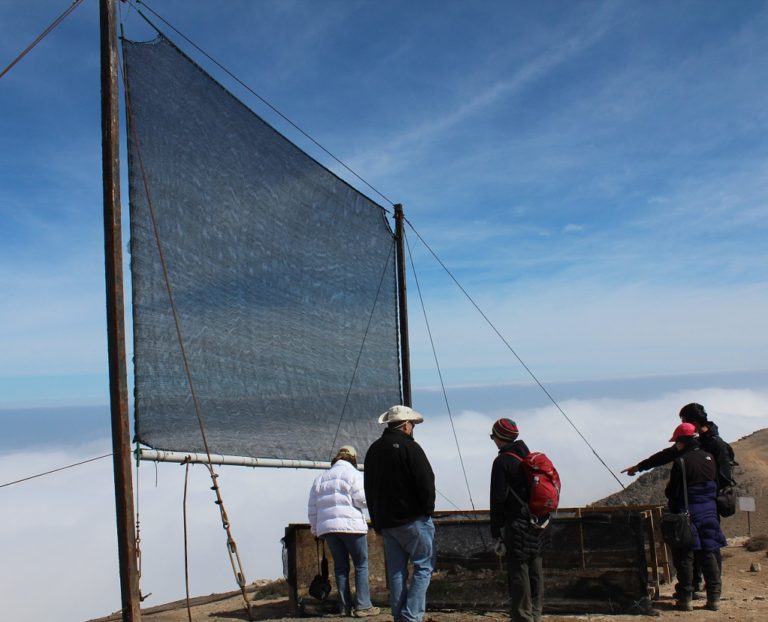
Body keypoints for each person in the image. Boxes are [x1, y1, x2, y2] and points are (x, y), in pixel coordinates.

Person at [621, 402, 735, 597]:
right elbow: (666, 455)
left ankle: (703, 587)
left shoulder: (714, 444)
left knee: (704, 545)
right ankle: (704, 588)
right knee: (702, 543)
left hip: (706, 501)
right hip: (707, 502)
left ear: (692, 421)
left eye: (684, 420)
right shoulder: (694, 441)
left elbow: (725, 475)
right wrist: (640, 466)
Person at [364, 405, 435, 622]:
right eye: (412, 424)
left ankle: (399, 614)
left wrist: (377, 520)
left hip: (387, 523)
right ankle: (411, 615)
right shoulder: (410, 448)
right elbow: (426, 481)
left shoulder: (373, 450)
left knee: (396, 571)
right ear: (405, 425)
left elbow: (369, 487)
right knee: (423, 566)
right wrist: (427, 510)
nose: (412, 428)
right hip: (413, 519)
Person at [308, 445, 380, 617]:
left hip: (329, 530)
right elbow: (362, 500)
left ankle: (344, 608)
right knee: (360, 564)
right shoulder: (354, 475)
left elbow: (312, 508)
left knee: (341, 568)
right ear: (353, 459)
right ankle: (363, 606)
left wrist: (316, 529)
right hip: (352, 527)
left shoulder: (319, 479)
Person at [489, 418, 549, 622]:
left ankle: (523, 617)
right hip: (538, 521)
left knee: (518, 571)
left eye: (493, 436)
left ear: (499, 437)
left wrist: (496, 532)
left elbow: (497, 499)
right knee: (535, 566)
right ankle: (536, 613)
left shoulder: (502, 462)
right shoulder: (529, 456)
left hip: (516, 523)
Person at [664, 422, 727, 612]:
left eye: (677, 442)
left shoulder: (681, 462)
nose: (676, 445)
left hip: (688, 514)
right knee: (709, 553)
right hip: (710, 513)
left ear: (682, 442)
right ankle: (714, 598)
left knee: (685, 557)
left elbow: (672, 492)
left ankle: (685, 599)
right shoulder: (710, 458)